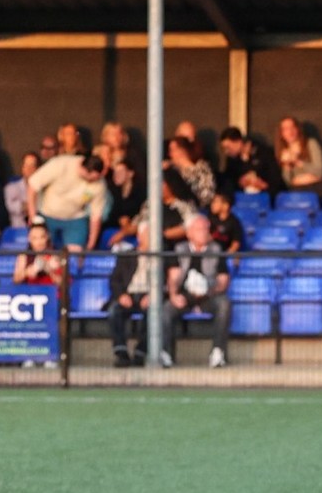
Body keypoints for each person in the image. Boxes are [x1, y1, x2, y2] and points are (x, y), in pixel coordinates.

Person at [164, 214, 232, 368]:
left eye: (206, 229)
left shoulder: (216, 249)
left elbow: (223, 280)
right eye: (199, 229)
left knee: (224, 304)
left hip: (209, 294)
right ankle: (166, 353)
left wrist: (210, 290)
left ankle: (218, 352)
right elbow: (173, 277)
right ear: (189, 233)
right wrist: (174, 295)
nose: (204, 232)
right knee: (167, 308)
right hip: (185, 295)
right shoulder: (179, 249)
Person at [24, 152, 109, 250]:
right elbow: (33, 185)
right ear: (83, 169)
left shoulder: (99, 183)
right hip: (47, 215)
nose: (94, 181)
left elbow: (96, 216)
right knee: (42, 251)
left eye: (96, 178)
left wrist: (91, 243)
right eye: (91, 178)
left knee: (75, 256)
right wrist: (33, 216)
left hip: (76, 219)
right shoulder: (61, 164)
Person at [107, 219, 159, 366]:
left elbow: (165, 282)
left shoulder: (162, 256)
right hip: (128, 294)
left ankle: (140, 353)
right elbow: (114, 280)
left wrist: (153, 295)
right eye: (148, 234)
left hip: (149, 295)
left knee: (154, 312)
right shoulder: (126, 255)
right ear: (139, 236)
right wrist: (121, 295)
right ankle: (121, 352)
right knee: (114, 311)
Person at [217, 127, 281, 196]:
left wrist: (262, 184)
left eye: (228, 147)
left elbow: (275, 179)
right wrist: (240, 182)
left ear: (239, 142)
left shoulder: (264, 153)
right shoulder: (231, 160)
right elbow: (228, 180)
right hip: (242, 197)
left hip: (266, 196)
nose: (226, 152)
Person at [275, 116, 322, 198]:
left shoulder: (311, 144)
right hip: (296, 190)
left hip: (316, 188)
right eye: (286, 129)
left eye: (292, 127)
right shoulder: (283, 151)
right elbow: (288, 181)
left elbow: (319, 172)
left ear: (298, 129)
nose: (290, 132)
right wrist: (286, 165)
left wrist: (297, 162)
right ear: (282, 134)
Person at [11, 221, 66, 286]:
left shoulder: (56, 255)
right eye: (35, 238)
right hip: (31, 293)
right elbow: (15, 280)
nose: (39, 242)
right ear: (29, 239)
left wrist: (50, 271)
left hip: (51, 292)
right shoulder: (24, 256)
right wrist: (26, 272)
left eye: (42, 237)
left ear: (47, 237)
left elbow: (63, 284)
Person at [167, 136, 216, 208]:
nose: (170, 154)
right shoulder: (172, 170)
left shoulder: (202, 170)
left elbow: (206, 195)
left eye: (171, 150)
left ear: (181, 151)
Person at [5, 152, 39, 229]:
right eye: (26, 165)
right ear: (22, 167)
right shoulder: (11, 187)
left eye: (32, 166)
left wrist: (25, 206)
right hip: (17, 231)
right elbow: (11, 207)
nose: (29, 169)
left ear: (38, 168)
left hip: (39, 232)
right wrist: (32, 205)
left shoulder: (44, 189)